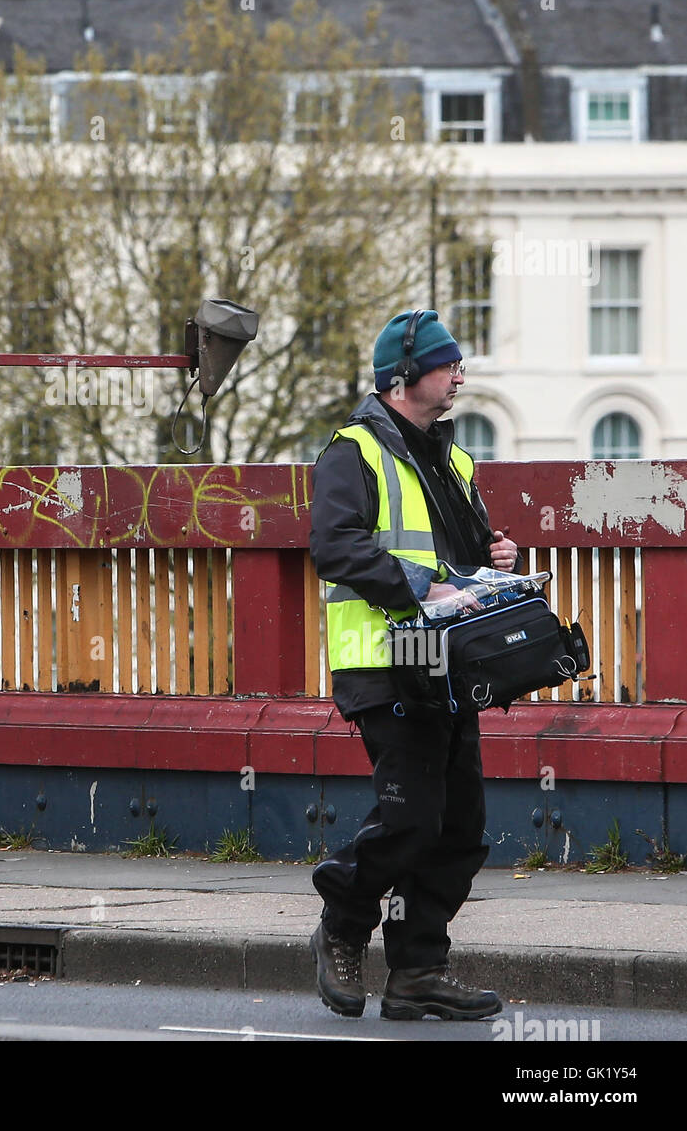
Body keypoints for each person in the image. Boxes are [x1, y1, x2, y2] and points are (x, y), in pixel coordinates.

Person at [308, 308, 519, 1020]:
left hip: (448, 666)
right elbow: (335, 547)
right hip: (384, 663)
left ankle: (417, 972)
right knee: (410, 821)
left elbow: (458, 561)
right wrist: (417, 582)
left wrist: (494, 559)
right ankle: (341, 921)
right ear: (404, 377)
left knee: (458, 826)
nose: (458, 373)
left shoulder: (452, 459)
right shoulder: (353, 450)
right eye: (445, 363)